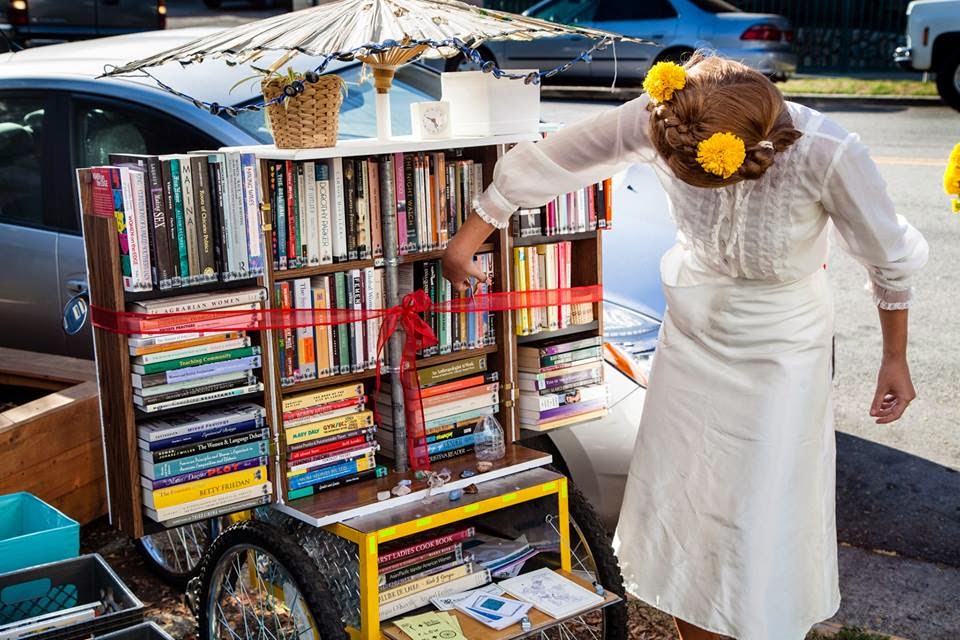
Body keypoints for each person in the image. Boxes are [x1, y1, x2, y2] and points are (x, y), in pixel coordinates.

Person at [441, 52, 928, 640]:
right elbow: (558, 157)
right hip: (694, 335)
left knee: (756, 512)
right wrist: (470, 236)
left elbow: (888, 258)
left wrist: (894, 358)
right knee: (686, 505)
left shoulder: (830, 152)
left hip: (784, 349)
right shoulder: (665, 114)